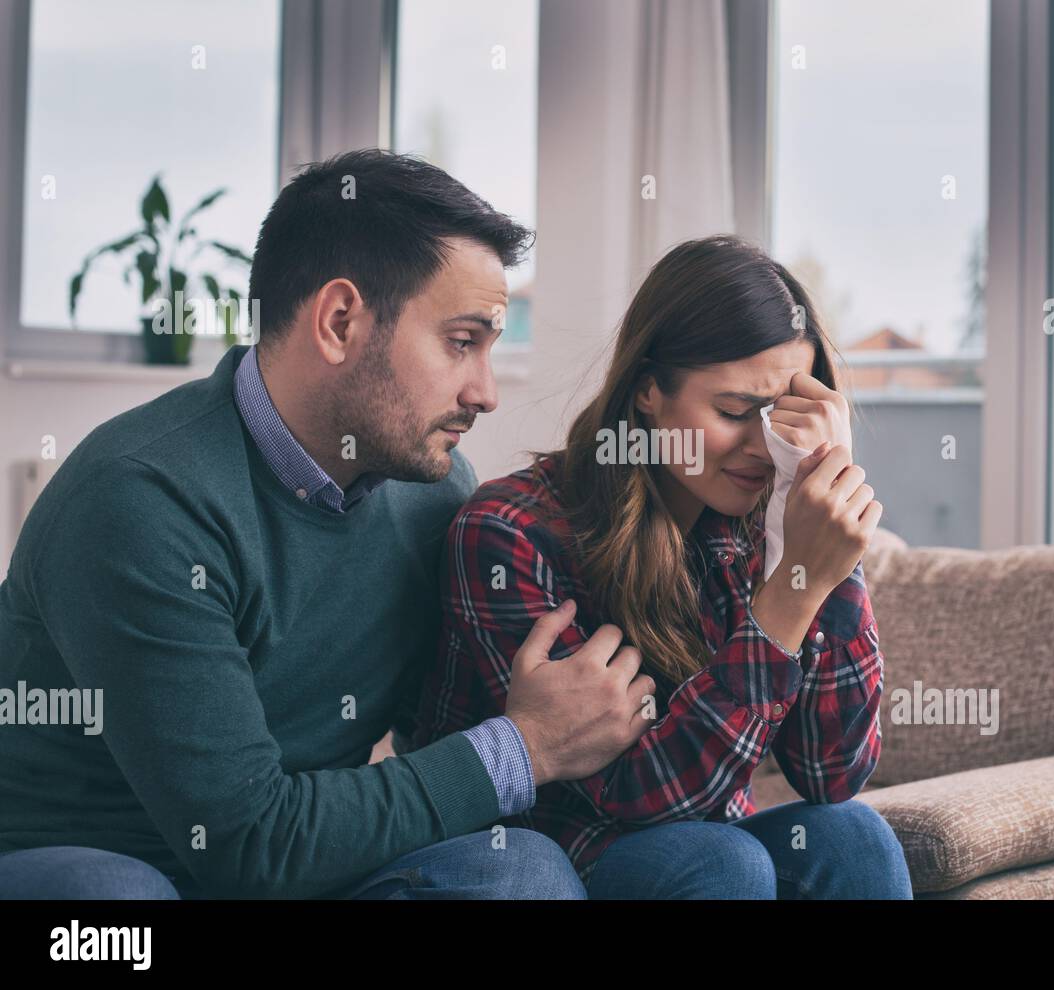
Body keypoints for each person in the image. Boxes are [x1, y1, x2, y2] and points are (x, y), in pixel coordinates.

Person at [0, 150, 655, 900]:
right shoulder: (140, 501)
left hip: (297, 866)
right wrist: (524, 746)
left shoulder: (432, 496)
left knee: (520, 875)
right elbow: (246, 841)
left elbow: (435, 749)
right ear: (340, 322)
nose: (485, 392)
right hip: (94, 871)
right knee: (116, 901)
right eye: (461, 342)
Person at [414, 235, 913, 899]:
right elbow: (643, 798)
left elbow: (832, 774)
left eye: (784, 417)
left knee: (852, 836)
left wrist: (821, 532)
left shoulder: (762, 520)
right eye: (735, 412)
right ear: (648, 389)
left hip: (703, 845)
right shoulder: (511, 534)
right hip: (544, 860)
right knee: (722, 861)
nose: (763, 446)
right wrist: (788, 601)